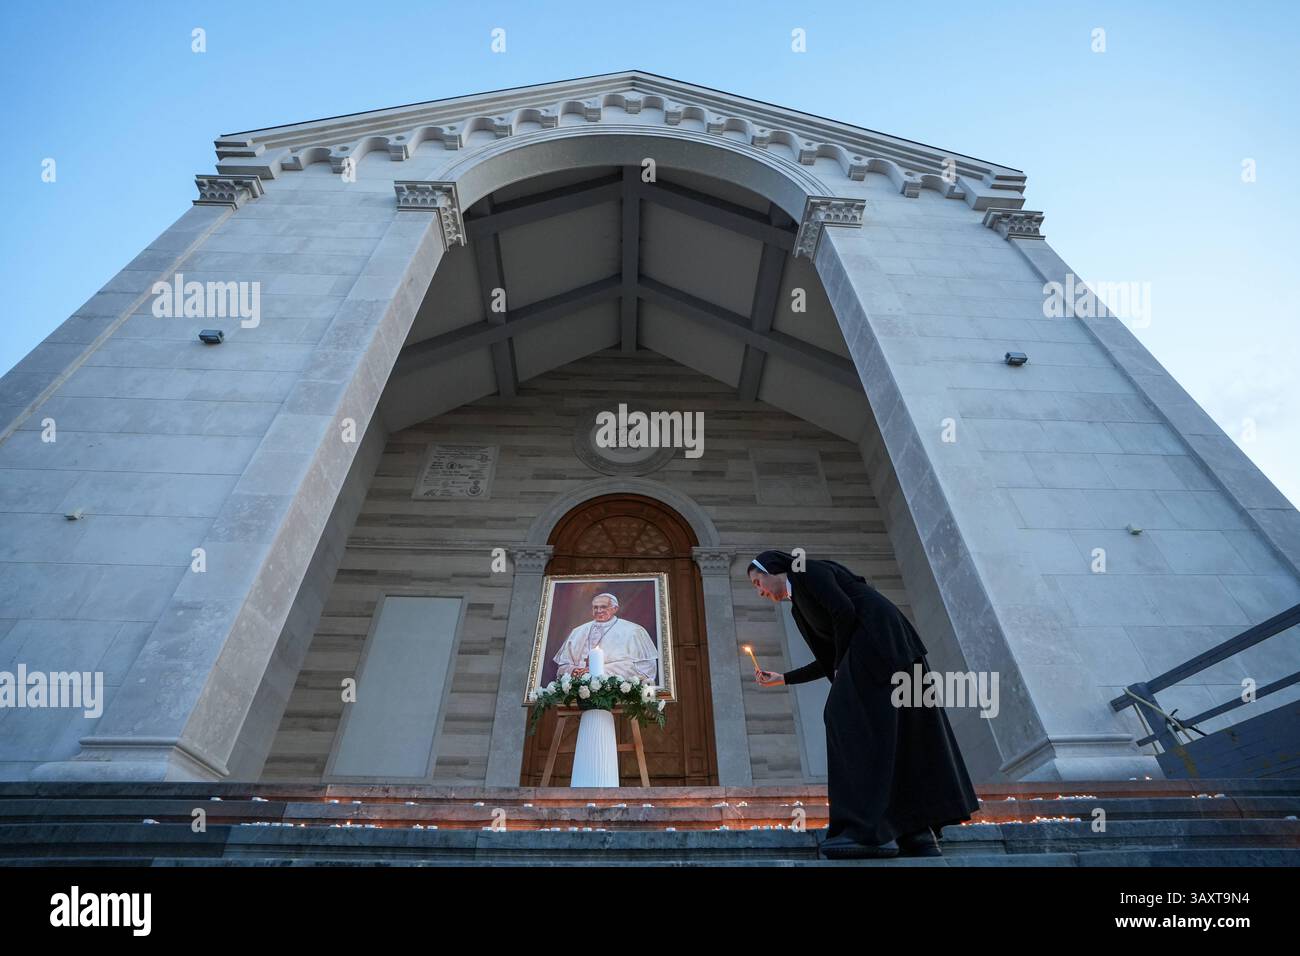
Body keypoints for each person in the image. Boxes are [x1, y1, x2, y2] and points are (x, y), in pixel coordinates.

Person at [747, 549, 980, 859]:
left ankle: (865, 831)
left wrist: (844, 667)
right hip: (882, 652)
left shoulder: (806, 572)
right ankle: (916, 832)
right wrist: (785, 678)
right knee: (896, 735)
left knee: (844, 719)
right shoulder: (798, 609)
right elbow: (828, 658)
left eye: (757, 582)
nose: (759, 591)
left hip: (879, 644)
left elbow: (843, 611)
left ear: (773, 570)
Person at [553, 592, 659, 683]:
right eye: (595, 607)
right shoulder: (578, 632)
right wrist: (573, 671)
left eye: (603, 607)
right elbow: (562, 667)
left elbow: (646, 668)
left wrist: (600, 671)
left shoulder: (634, 631)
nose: (599, 610)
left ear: (615, 609)